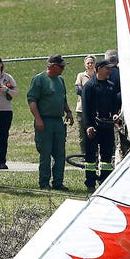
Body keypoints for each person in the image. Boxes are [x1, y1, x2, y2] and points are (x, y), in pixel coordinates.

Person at [27, 54, 74, 190]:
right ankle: (44, 182)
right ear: (52, 66)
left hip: (58, 122)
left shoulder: (61, 80)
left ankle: (58, 182)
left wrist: (68, 112)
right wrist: (38, 119)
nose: (63, 69)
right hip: (44, 120)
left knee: (60, 153)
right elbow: (32, 100)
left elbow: (63, 98)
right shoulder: (39, 79)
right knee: (45, 154)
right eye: (61, 67)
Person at [81, 59, 121, 191]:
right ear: (99, 69)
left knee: (106, 157)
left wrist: (115, 114)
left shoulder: (110, 85)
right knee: (91, 157)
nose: (109, 71)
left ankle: (105, 181)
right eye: (107, 68)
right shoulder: (89, 86)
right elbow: (85, 108)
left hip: (107, 125)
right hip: (93, 126)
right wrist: (88, 126)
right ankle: (90, 183)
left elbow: (115, 104)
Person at [104, 48, 130, 158]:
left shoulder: (107, 74)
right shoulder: (123, 72)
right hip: (123, 109)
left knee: (113, 140)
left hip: (110, 111)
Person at [74, 55, 96, 163]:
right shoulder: (81, 76)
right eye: (88, 63)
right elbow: (78, 89)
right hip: (81, 109)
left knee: (94, 133)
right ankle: (83, 155)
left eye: (92, 63)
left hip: (95, 109)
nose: (90, 65)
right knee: (82, 134)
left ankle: (95, 155)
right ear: (85, 65)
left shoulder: (97, 76)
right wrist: (89, 94)